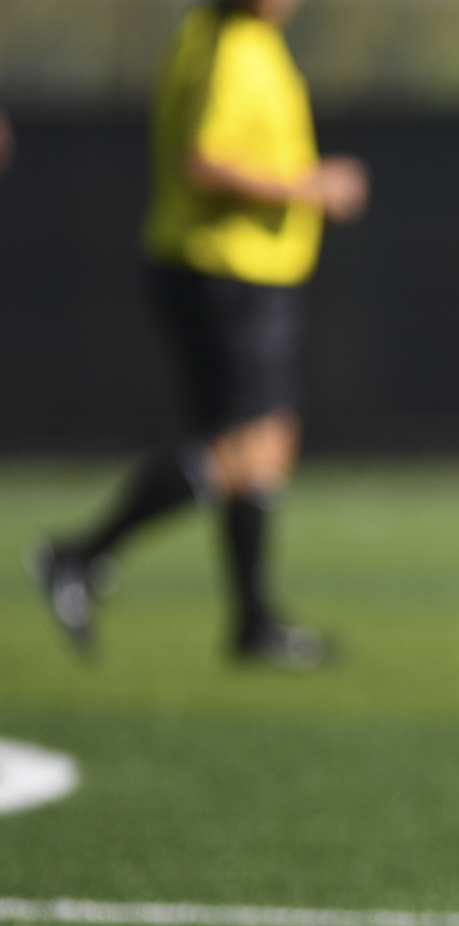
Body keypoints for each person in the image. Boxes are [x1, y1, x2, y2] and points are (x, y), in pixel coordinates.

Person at [27, 0, 367, 667]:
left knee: (265, 444)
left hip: (244, 272)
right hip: (222, 270)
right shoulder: (225, 46)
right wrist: (310, 188)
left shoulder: (243, 41)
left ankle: (254, 622)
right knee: (251, 442)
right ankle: (83, 554)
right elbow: (206, 163)